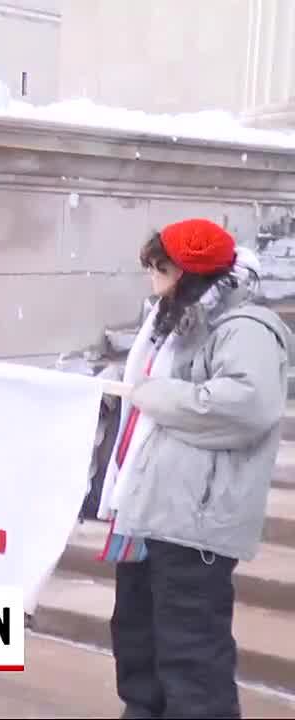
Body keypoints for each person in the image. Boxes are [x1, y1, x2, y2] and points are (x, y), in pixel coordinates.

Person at [97, 219, 289, 719]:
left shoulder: (245, 328)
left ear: (186, 272)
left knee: (191, 655)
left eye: (158, 269)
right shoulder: (173, 322)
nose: (151, 279)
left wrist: (152, 396)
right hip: (148, 508)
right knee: (137, 639)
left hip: (195, 520)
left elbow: (247, 405)